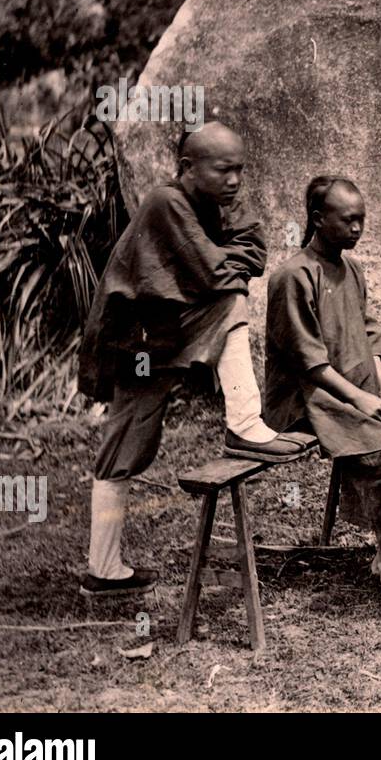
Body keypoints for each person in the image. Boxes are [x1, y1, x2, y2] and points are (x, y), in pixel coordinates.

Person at [78, 121, 311, 597]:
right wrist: (222, 263)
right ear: (189, 168)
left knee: (231, 299)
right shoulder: (166, 202)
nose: (235, 181)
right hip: (139, 340)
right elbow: (215, 271)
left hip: (178, 328)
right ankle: (102, 571)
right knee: (126, 447)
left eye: (240, 171)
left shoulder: (219, 201)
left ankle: (245, 423)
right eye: (223, 170)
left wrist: (223, 261)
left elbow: (253, 254)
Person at [264, 177, 381, 598]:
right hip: (309, 398)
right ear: (318, 220)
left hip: (355, 389)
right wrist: (358, 399)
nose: (357, 228)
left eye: (362, 220)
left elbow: (369, 341)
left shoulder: (352, 268)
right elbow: (308, 362)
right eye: (348, 220)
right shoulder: (292, 276)